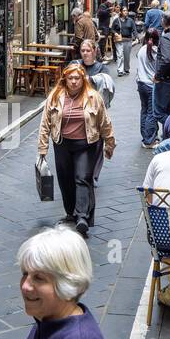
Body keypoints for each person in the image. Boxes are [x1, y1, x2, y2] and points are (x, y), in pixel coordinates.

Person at [37, 62, 115, 236]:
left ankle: (82, 217)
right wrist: (43, 148)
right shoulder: (55, 96)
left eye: (77, 78)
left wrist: (110, 143)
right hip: (62, 144)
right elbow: (45, 123)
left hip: (86, 145)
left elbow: (104, 121)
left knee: (82, 178)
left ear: (83, 79)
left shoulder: (93, 96)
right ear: (65, 79)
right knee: (65, 181)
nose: (74, 81)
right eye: (70, 78)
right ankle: (71, 213)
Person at [136, 27, 161, 148]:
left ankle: (145, 136)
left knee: (144, 110)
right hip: (151, 85)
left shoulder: (141, 50)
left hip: (141, 84)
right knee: (151, 113)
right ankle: (149, 141)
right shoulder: (157, 52)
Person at [111, 4, 136, 76]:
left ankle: (126, 69)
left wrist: (136, 37)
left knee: (126, 56)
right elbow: (112, 29)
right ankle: (120, 70)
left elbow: (134, 30)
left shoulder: (130, 20)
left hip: (128, 40)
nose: (126, 12)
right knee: (120, 55)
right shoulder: (116, 20)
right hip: (119, 40)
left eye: (126, 11)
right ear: (121, 12)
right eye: (124, 11)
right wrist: (115, 33)